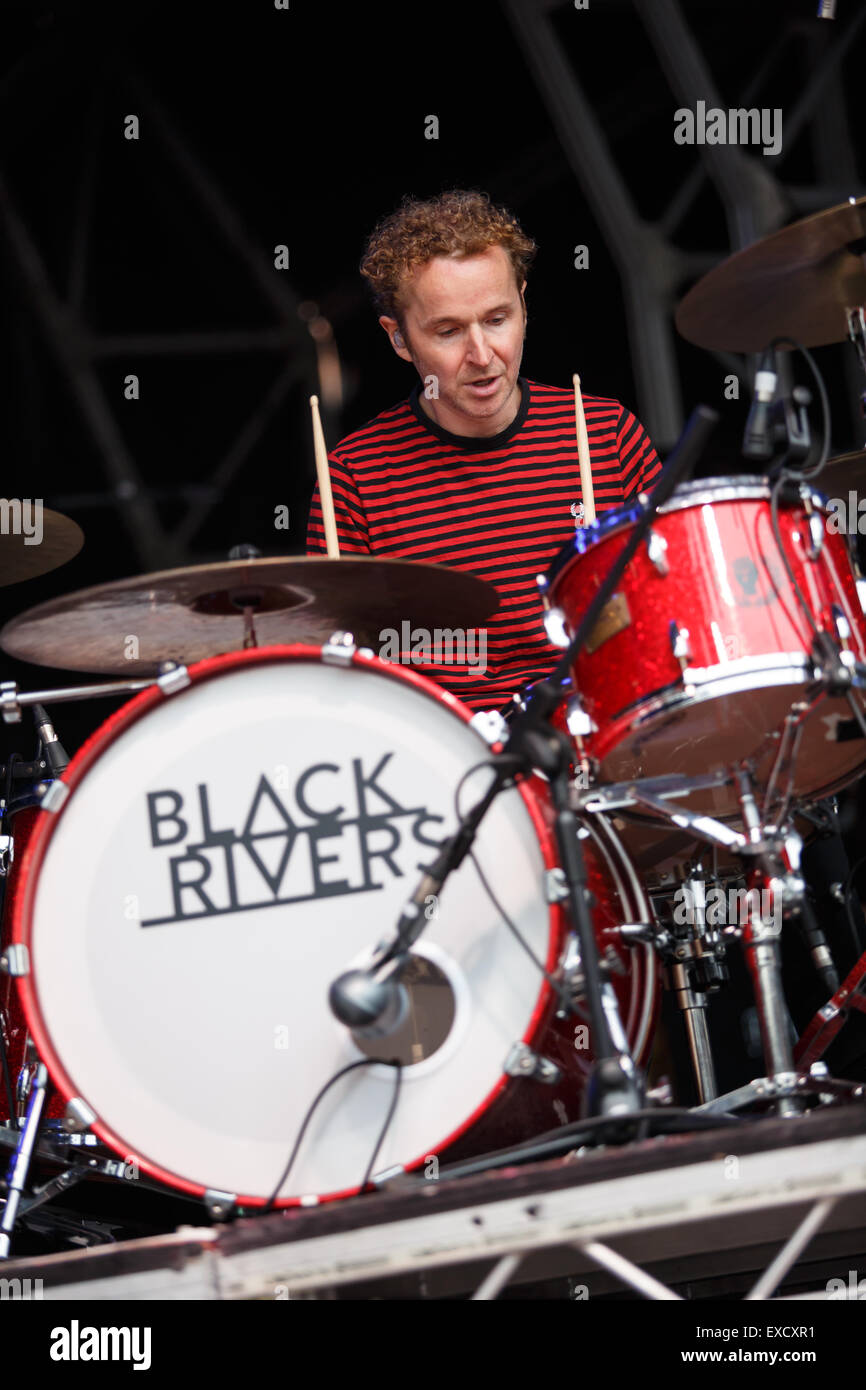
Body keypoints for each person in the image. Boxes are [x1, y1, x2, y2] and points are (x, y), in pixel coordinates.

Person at [307, 189, 661, 714]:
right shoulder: (352, 482)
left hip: (603, 744)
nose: (481, 354)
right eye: (448, 331)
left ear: (523, 302)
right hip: (449, 769)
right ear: (399, 338)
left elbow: (669, 608)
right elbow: (342, 684)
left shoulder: (606, 434)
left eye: (497, 319)